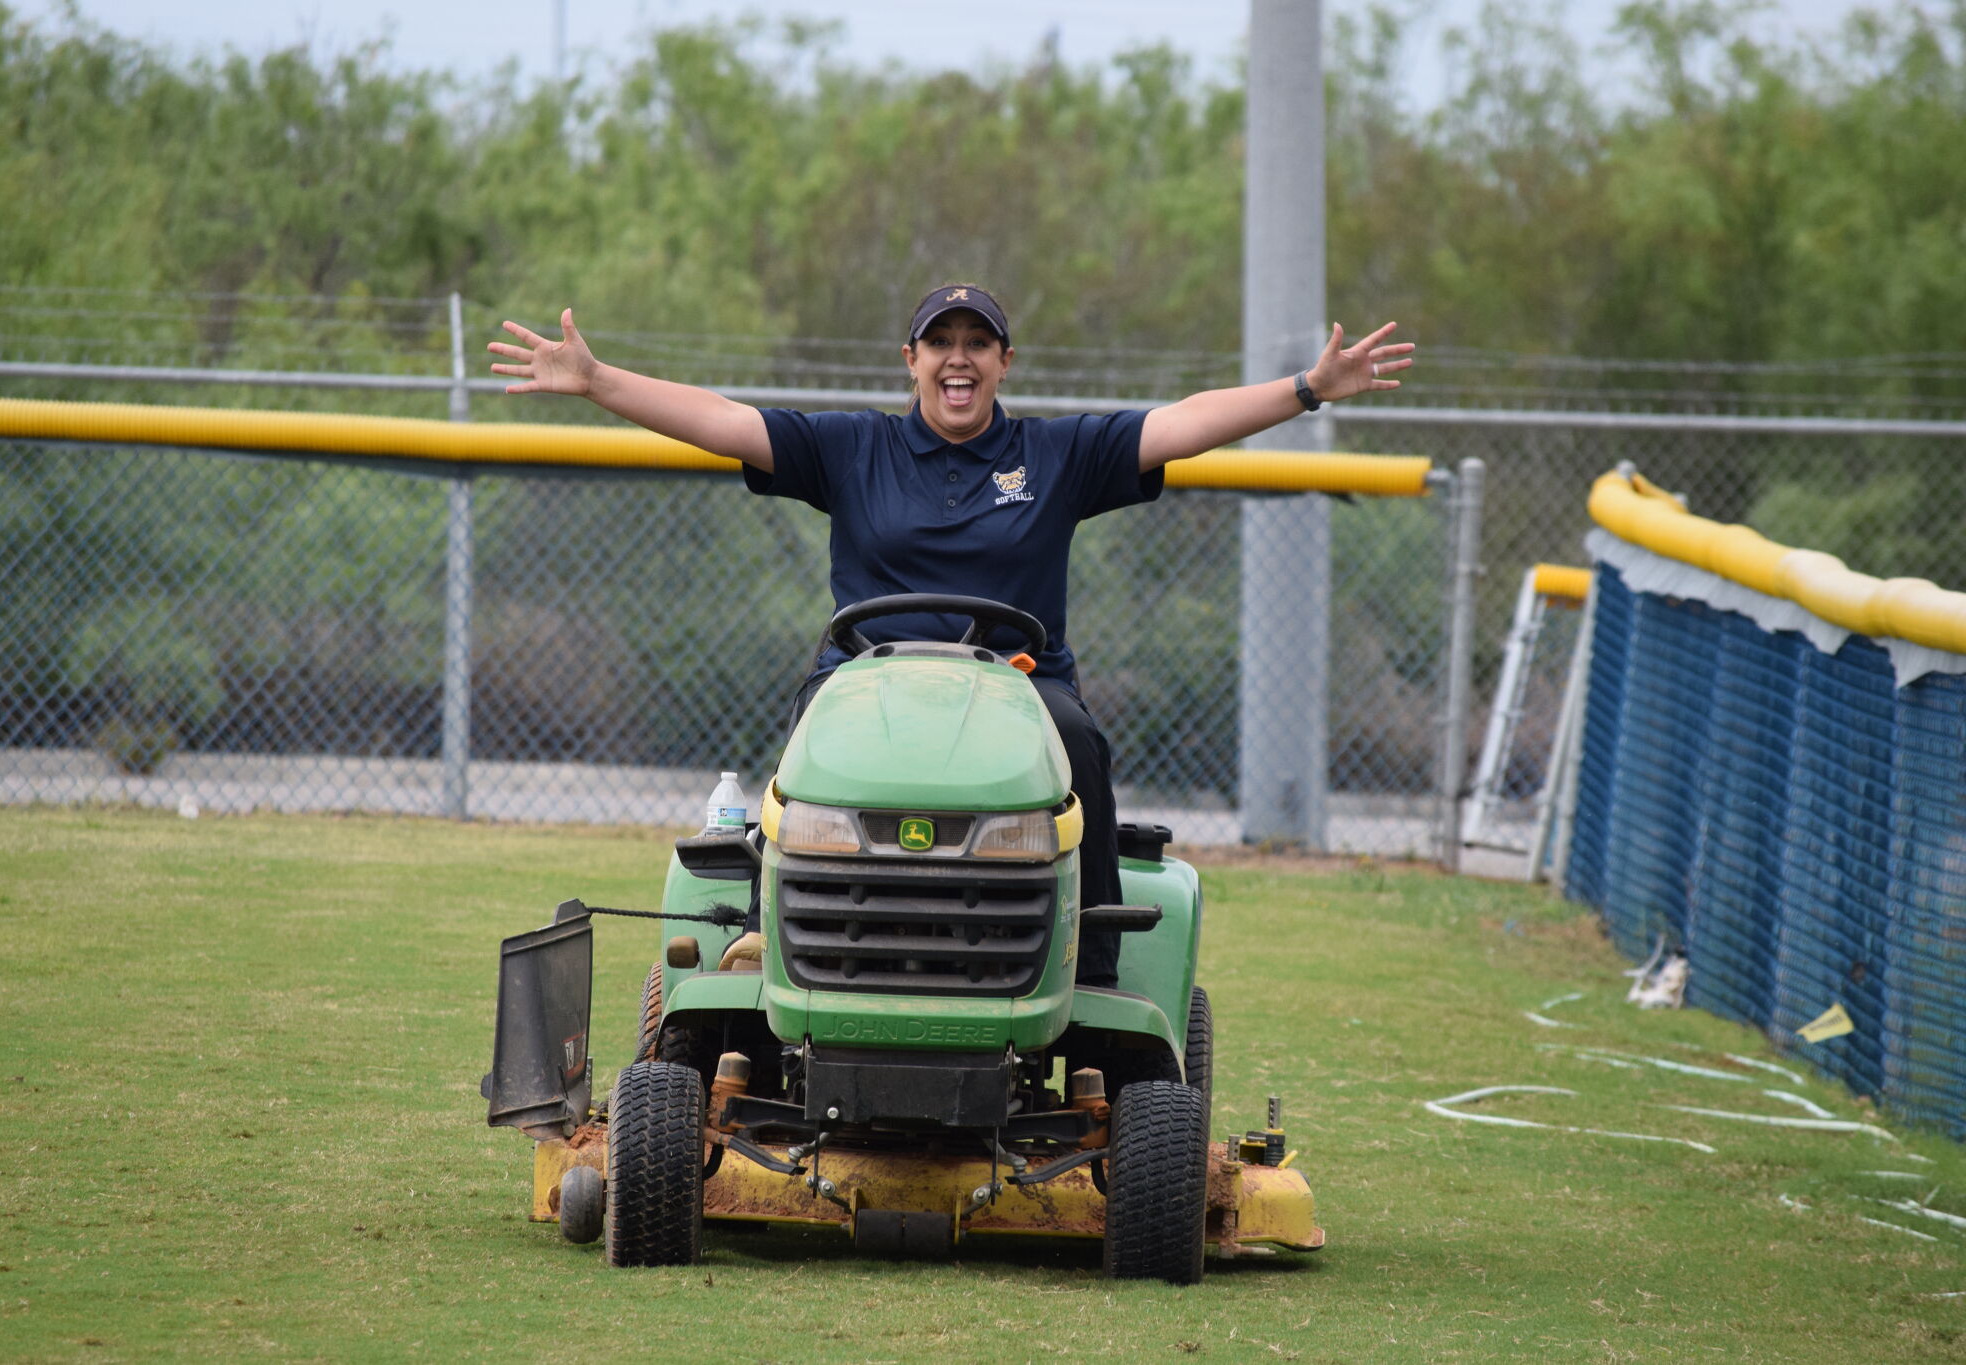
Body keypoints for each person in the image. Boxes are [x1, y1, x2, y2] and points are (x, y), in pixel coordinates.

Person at [489, 284, 1412, 984]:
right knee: (810, 734)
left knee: (1080, 738)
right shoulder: (855, 450)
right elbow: (724, 420)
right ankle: (772, 930)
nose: (958, 360)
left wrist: (1306, 390)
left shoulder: (1057, 455)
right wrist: (597, 380)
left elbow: (1180, 424)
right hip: (866, 682)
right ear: (911, 358)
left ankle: (1084, 959)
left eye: (978, 344)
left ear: (1007, 361)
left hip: (1017, 684)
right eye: (941, 345)